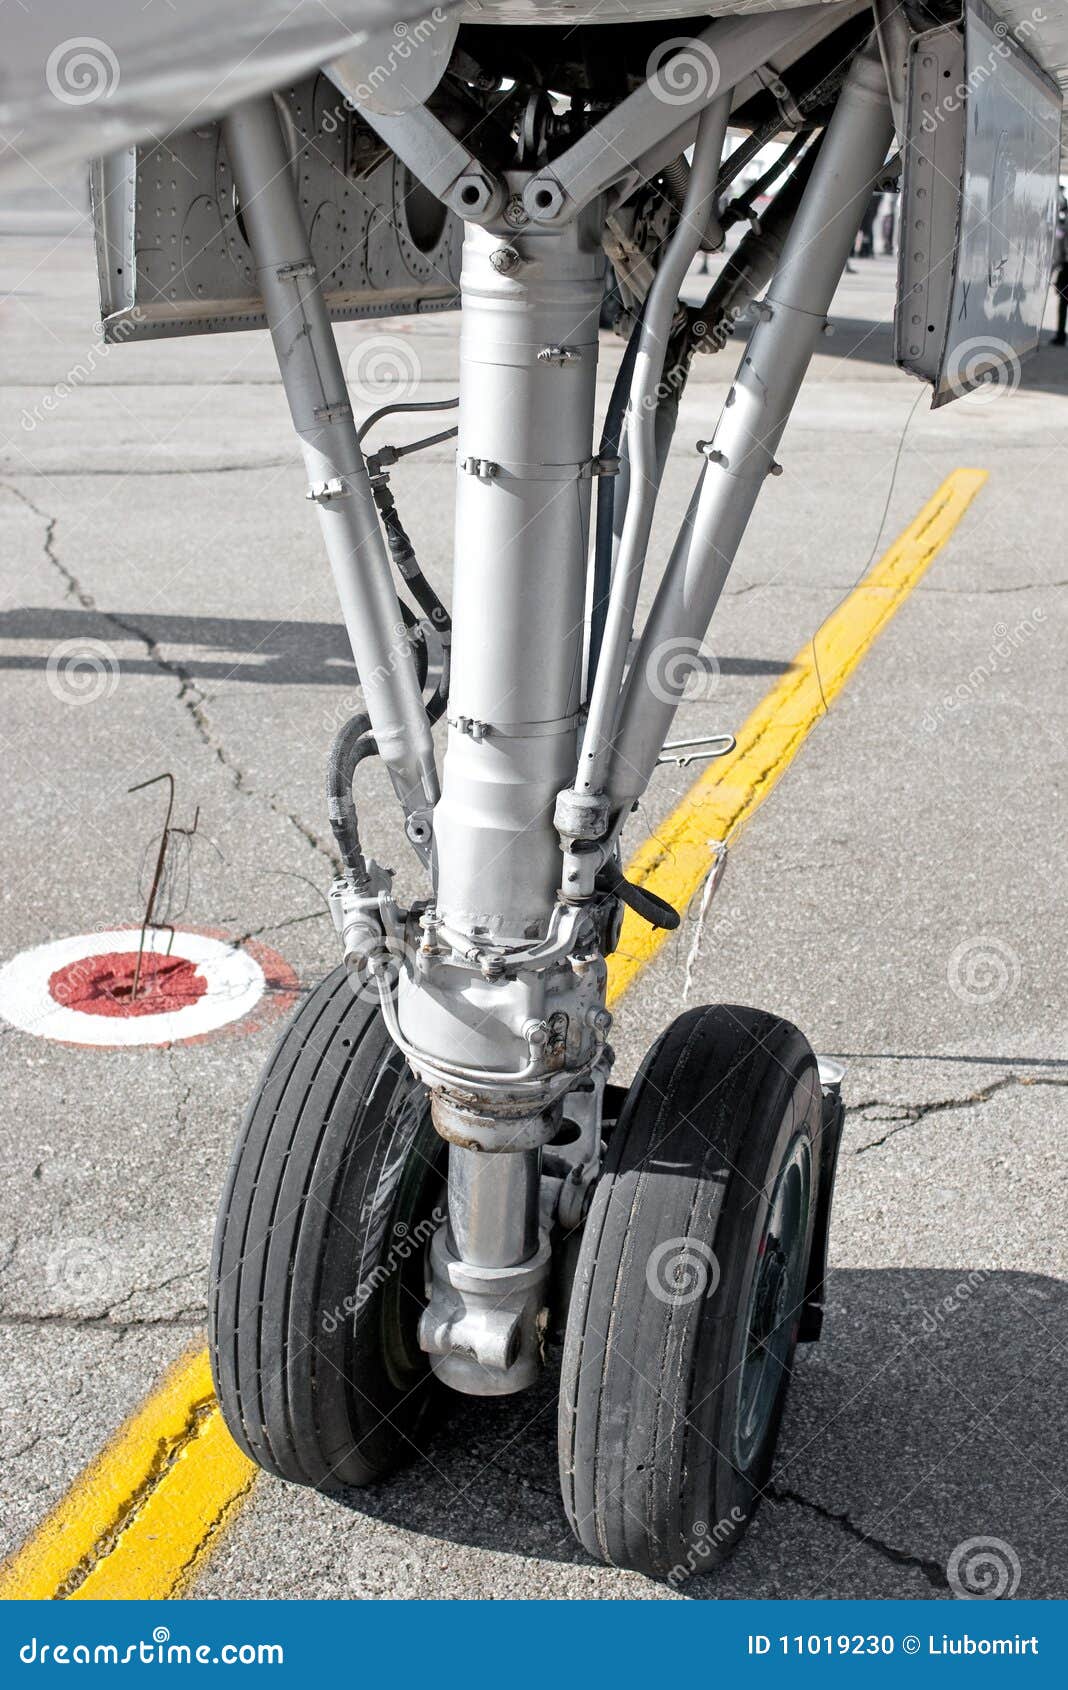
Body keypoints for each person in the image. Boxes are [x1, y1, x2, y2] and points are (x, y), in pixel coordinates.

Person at [1052, 183, 1068, 346]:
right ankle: (1060, 334)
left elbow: (1060, 244)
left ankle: (1061, 335)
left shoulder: (1064, 223)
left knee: (1063, 302)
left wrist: (1055, 266)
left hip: (1066, 267)